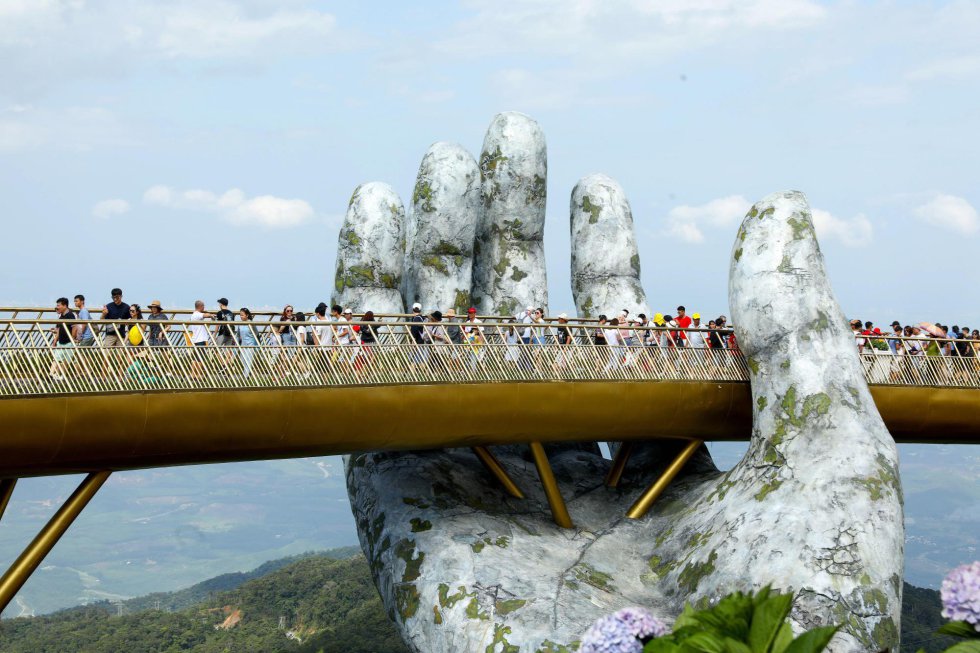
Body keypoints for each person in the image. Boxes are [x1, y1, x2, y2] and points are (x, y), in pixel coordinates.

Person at [49, 297, 76, 380]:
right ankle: (51, 375)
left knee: (66, 360)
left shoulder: (70, 315)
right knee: (56, 359)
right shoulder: (61, 317)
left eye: (58, 305)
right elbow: (59, 330)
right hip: (61, 342)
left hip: (68, 342)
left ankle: (60, 376)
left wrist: (72, 338)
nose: (57, 307)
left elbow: (74, 327)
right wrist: (55, 341)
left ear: (65, 306)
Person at [189, 300, 214, 379]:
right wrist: (211, 315)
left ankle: (193, 374)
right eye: (203, 306)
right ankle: (198, 374)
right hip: (200, 339)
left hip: (196, 339)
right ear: (200, 306)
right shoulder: (197, 315)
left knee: (195, 358)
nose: (204, 307)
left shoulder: (193, 315)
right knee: (200, 358)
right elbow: (206, 315)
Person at [214, 299, 236, 371]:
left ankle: (223, 365)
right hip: (230, 334)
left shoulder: (219, 313)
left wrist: (214, 335)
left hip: (222, 333)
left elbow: (217, 325)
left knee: (216, 350)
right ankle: (226, 366)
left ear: (221, 304)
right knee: (228, 351)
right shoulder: (231, 313)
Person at [237, 308, 259, 379]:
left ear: (247, 315)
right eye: (240, 315)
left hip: (250, 345)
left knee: (248, 361)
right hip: (243, 345)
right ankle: (248, 374)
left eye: (242, 315)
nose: (241, 316)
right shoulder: (240, 324)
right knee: (243, 360)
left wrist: (255, 344)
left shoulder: (251, 323)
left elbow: (256, 333)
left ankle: (245, 377)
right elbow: (238, 334)